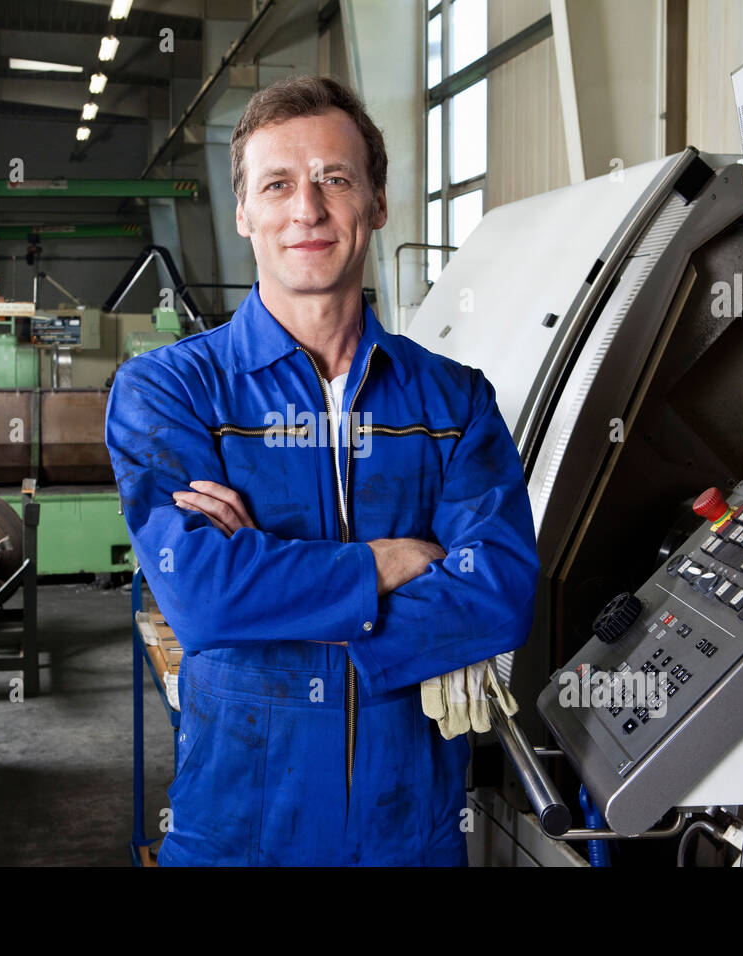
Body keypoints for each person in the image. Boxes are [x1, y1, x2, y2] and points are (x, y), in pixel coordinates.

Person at [105, 74, 538, 866]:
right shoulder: (170, 390)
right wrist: (388, 562)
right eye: (278, 185)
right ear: (244, 212)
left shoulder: (454, 400)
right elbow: (201, 596)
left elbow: (499, 594)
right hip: (238, 832)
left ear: (375, 204)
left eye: (335, 180)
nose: (307, 208)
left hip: (410, 830)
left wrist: (267, 598)